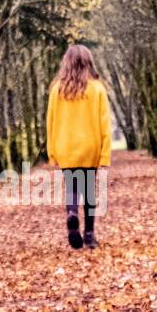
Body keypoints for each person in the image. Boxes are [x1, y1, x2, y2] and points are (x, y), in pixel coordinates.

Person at [46, 44, 112, 249]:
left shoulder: (57, 90)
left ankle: (72, 214)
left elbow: (51, 122)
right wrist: (104, 156)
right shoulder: (98, 88)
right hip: (89, 146)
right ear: (88, 62)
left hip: (65, 146)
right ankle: (90, 234)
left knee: (72, 186)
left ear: (67, 63)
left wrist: (52, 152)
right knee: (89, 190)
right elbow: (105, 125)